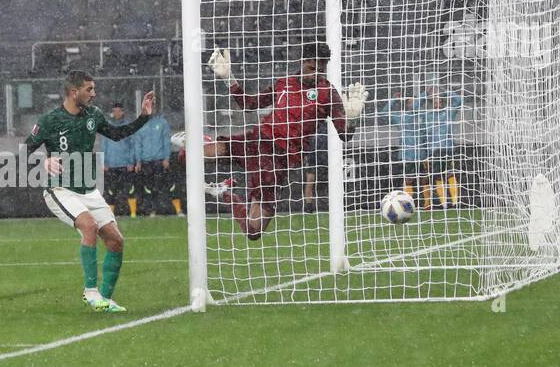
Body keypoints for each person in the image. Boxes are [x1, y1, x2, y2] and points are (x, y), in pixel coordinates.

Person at [186, 45, 367, 240]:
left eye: (321, 69)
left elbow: (344, 135)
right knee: (191, 154)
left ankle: (225, 192)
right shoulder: (284, 83)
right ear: (303, 62)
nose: (316, 74)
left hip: (280, 160)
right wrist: (228, 77)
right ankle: (196, 143)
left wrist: (353, 118)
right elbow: (249, 104)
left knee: (253, 231)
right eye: (312, 68)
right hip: (259, 140)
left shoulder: (327, 93)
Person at [24, 70, 154, 313]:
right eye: (89, 90)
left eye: (93, 89)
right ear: (74, 92)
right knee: (89, 225)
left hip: (88, 190)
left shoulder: (93, 115)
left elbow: (116, 134)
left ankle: (104, 299)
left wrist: (144, 117)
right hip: (60, 189)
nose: (94, 94)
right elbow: (25, 150)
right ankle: (91, 292)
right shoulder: (50, 120)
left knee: (116, 241)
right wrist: (44, 161)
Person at [420, 85, 464, 209]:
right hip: (434, 151)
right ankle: (444, 202)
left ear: (442, 102)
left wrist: (444, 91)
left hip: (448, 149)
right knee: (438, 176)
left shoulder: (448, 112)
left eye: (439, 100)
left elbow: (459, 101)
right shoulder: (428, 116)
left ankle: (455, 202)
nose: (437, 103)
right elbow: (415, 107)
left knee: (450, 174)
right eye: (435, 101)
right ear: (432, 103)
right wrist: (425, 93)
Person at [384, 89, 427, 206]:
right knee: (409, 179)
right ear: (406, 104)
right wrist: (393, 100)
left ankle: (428, 204)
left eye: (414, 102)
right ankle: (407, 203)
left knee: (425, 179)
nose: (412, 104)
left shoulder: (423, 115)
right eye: (409, 102)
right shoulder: (401, 117)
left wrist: (424, 94)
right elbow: (384, 113)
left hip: (423, 153)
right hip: (407, 154)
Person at [134, 110, 173, 216]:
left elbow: (166, 141)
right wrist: (138, 161)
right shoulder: (140, 124)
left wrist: (166, 158)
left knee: (160, 186)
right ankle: (152, 210)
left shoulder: (162, 122)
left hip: (159, 160)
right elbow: (138, 143)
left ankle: (163, 210)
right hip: (146, 161)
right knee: (148, 188)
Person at [100, 101, 137, 215]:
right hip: (111, 164)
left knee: (130, 189)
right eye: (114, 111)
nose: (116, 113)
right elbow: (104, 145)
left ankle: (133, 214)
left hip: (125, 164)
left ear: (123, 112)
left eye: (118, 111)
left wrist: (131, 161)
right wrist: (104, 162)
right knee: (111, 190)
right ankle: (111, 214)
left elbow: (132, 145)